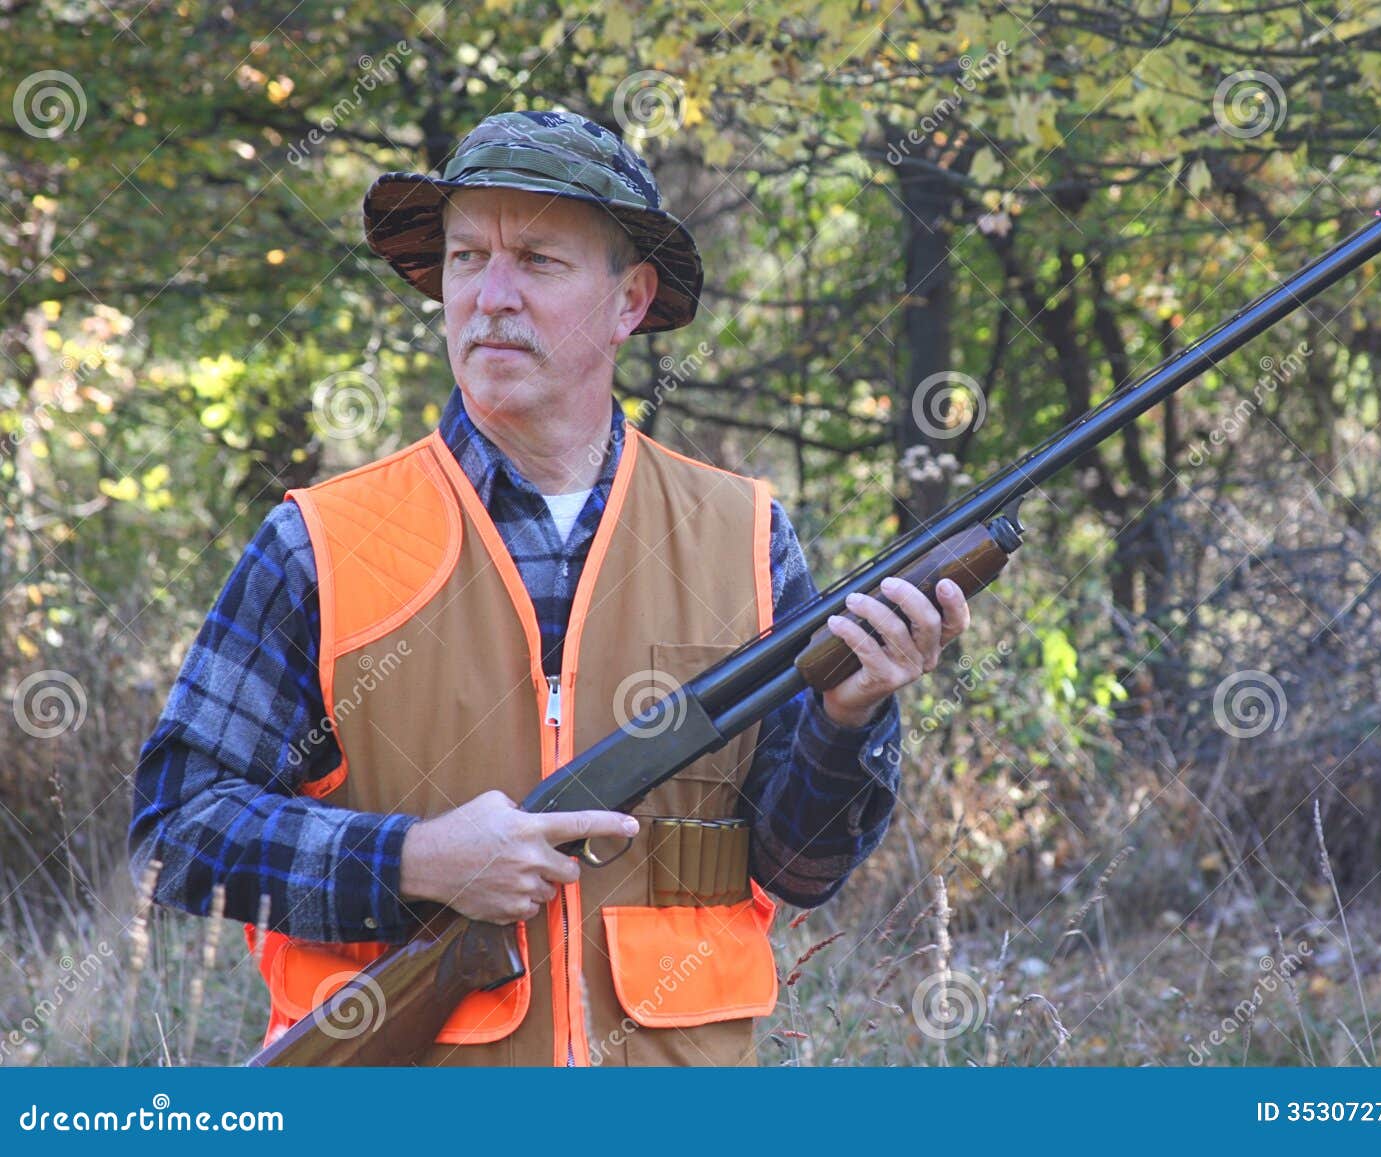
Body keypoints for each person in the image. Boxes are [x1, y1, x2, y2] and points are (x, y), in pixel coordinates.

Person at [128, 109, 972, 1067]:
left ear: (629, 301)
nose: (491, 295)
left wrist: (849, 716)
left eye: (536, 260)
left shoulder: (744, 535)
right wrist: (414, 859)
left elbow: (799, 869)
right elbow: (176, 828)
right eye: (466, 258)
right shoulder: (321, 541)